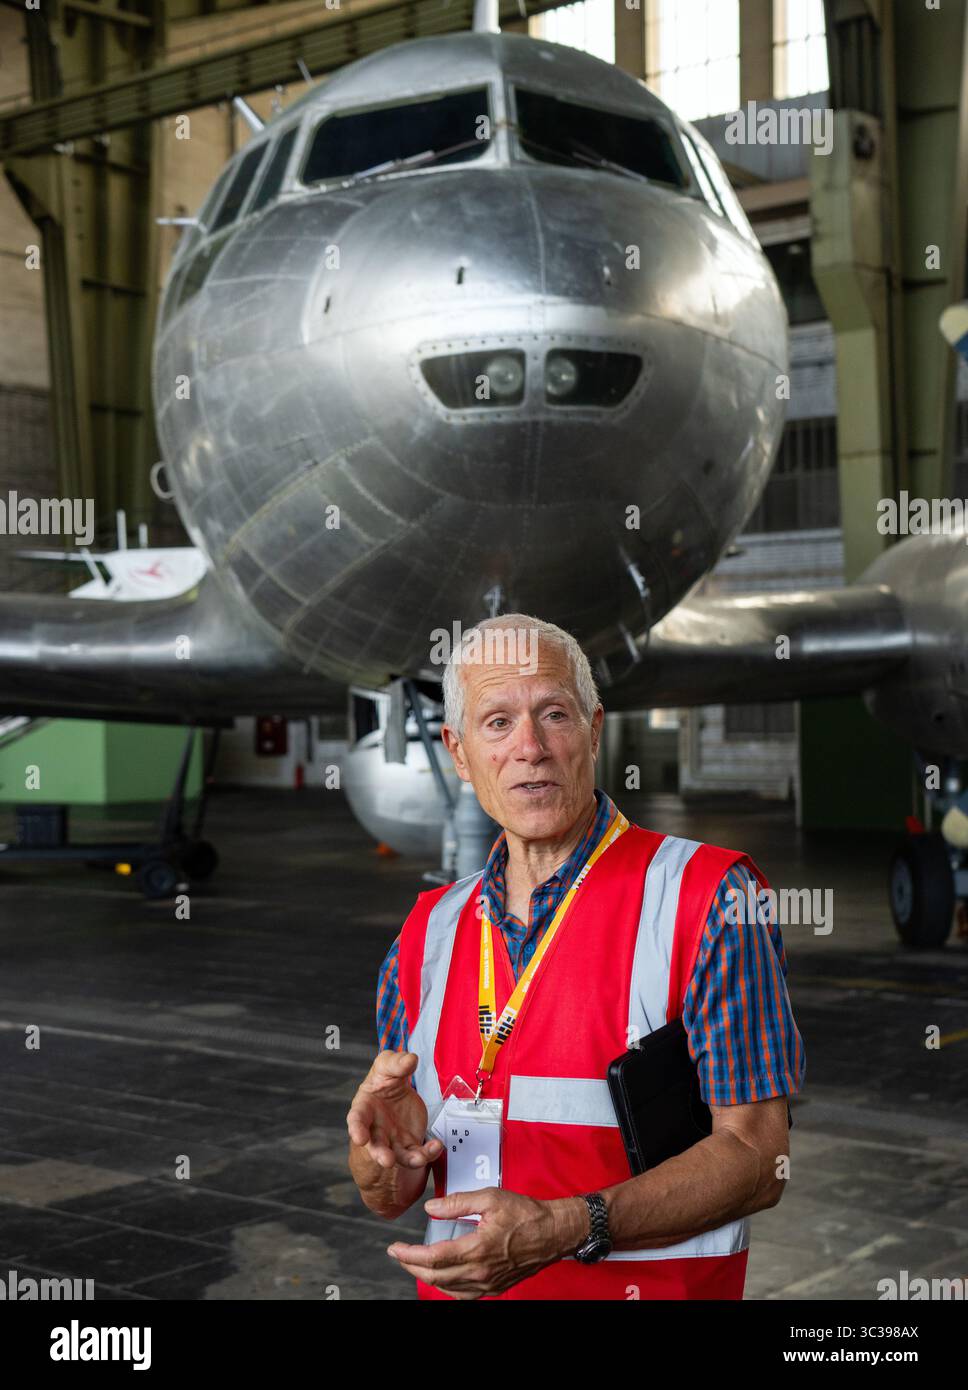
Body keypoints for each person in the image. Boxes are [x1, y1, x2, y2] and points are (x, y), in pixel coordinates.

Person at [346, 614, 805, 1300]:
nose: (529, 747)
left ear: (594, 730)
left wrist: (569, 1226)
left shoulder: (707, 899)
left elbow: (757, 1158)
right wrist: (383, 1157)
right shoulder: (427, 933)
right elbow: (388, 1197)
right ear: (459, 753)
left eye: (553, 714)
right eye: (497, 722)